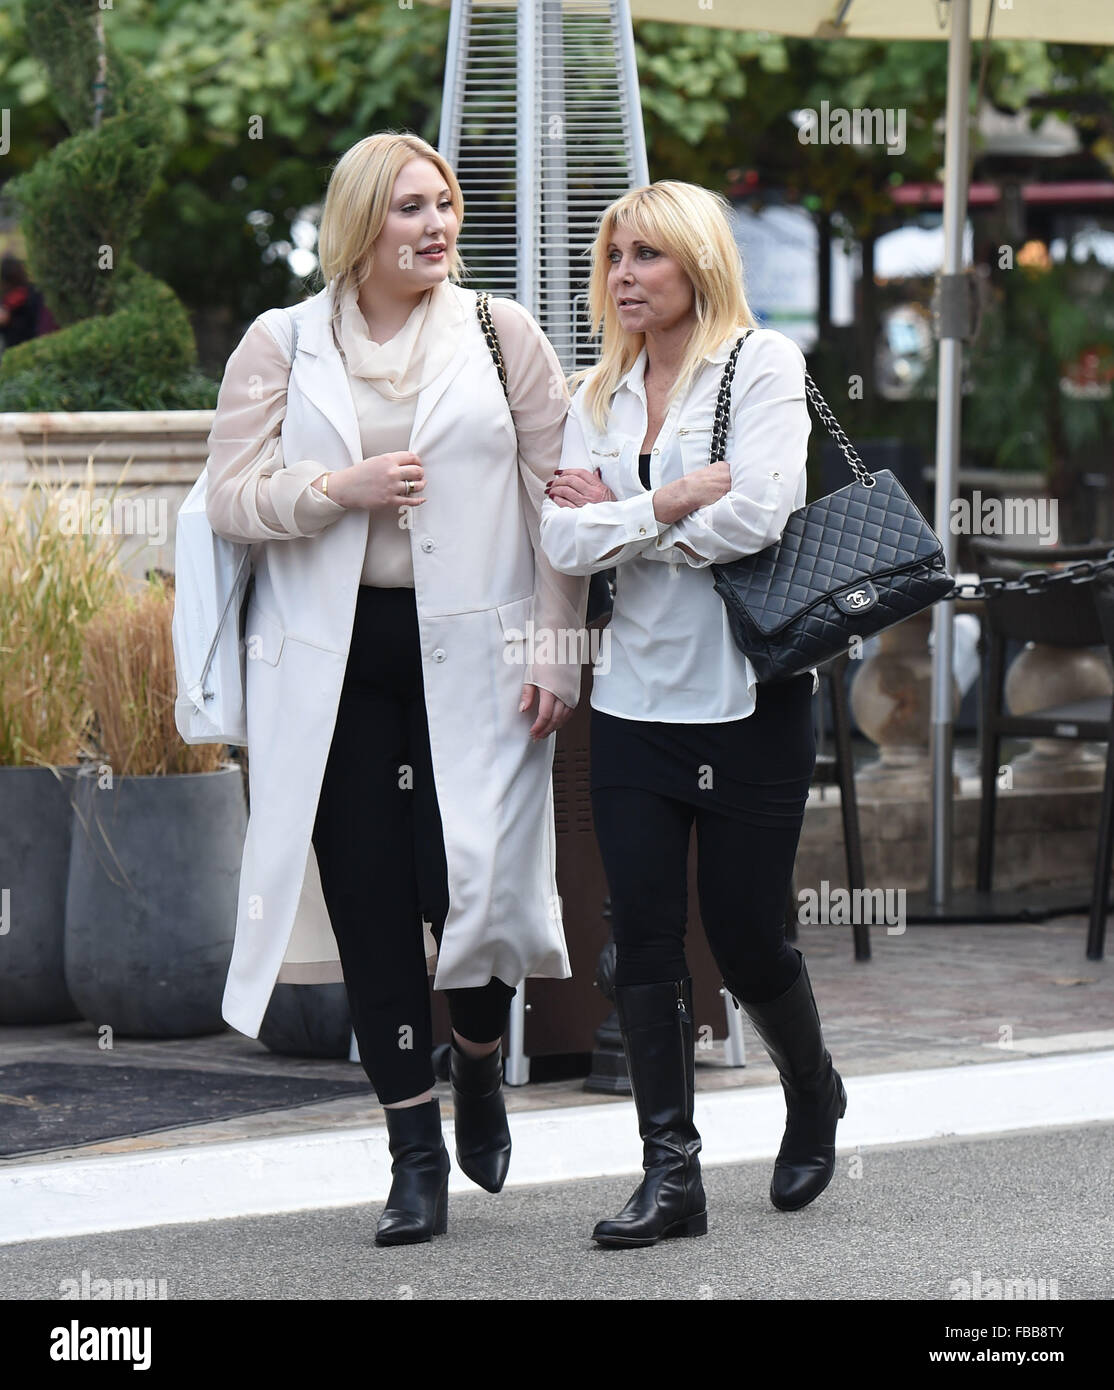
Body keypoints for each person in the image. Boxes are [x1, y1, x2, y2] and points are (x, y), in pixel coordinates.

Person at [204, 132, 588, 1245]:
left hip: (480, 654)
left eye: (445, 205)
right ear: (360, 224)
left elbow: (554, 499)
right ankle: (410, 1150)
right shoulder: (280, 343)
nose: (436, 226)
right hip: (334, 665)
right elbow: (229, 497)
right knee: (370, 901)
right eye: (411, 209)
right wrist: (336, 487)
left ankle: (475, 1060)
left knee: (474, 889)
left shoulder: (497, 330)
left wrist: (559, 643)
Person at [540, 180, 845, 1248]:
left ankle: (812, 1089)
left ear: (699, 264)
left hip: (748, 697)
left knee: (751, 938)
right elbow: (560, 545)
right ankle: (671, 1174)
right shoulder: (595, 394)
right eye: (615, 257)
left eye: (648, 257)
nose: (625, 276)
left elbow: (760, 514)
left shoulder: (760, 364)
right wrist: (669, 500)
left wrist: (620, 513)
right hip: (631, 699)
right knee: (642, 943)